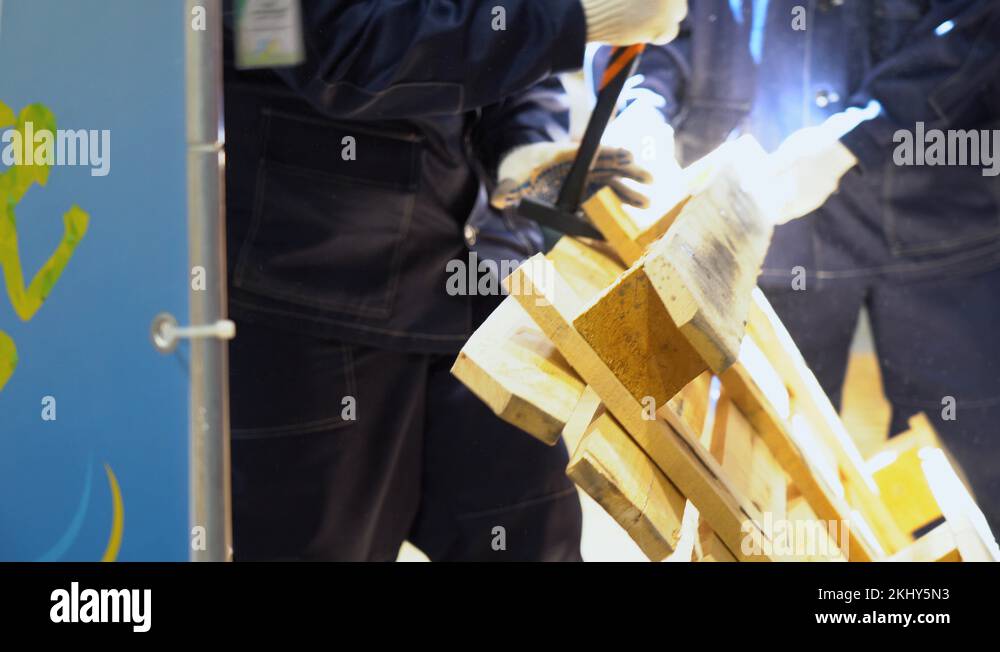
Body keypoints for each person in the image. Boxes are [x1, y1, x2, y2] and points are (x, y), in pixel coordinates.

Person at [221, 0, 688, 561]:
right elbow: (335, 48)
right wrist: (570, 20)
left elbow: (499, 47)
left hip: (473, 283)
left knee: (533, 541)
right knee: (320, 545)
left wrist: (520, 145)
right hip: (321, 295)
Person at [595, 0, 1000, 535]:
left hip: (937, 213)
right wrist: (639, 113)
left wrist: (855, 136)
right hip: (768, 219)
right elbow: (650, 21)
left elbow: (978, 23)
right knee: (773, 476)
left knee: (970, 455)